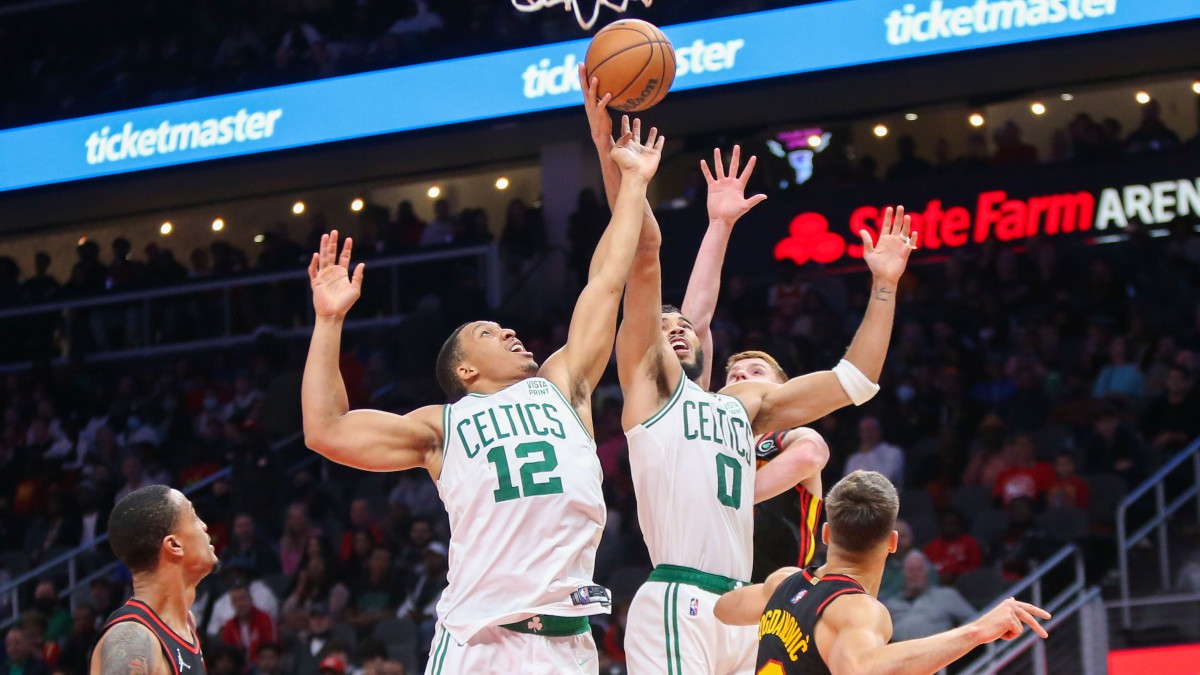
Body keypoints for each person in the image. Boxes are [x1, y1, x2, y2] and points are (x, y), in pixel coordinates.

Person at [579, 65, 916, 674]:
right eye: (664, 324)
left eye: (687, 324)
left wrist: (884, 285)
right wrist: (616, 160)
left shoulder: (745, 409)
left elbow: (856, 380)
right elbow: (644, 253)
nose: (677, 325)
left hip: (747, 602)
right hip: (680, 596)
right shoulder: (653, 390)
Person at [301, 118, 665, 673]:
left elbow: (606, 282)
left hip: (567, 642)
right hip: (480, 641)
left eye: (505, 327)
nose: (510, 332)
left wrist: (633, 181)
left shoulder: (561, 385)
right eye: (489, 333)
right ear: (464, 368)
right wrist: (329, 322)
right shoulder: (442, 424)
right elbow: (326, 430)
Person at [713, 471, 1050, 674]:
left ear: (827, 534)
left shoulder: (782, 582)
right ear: (892, 542)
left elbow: (723, 608)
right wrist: (976, 631)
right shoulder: (859, 610)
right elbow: (861, 669)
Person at [89, 485, 219, 675]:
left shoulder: (185, 623)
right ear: (174, 545)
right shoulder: (133, 638)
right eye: (193, 517)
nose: (204, 525)